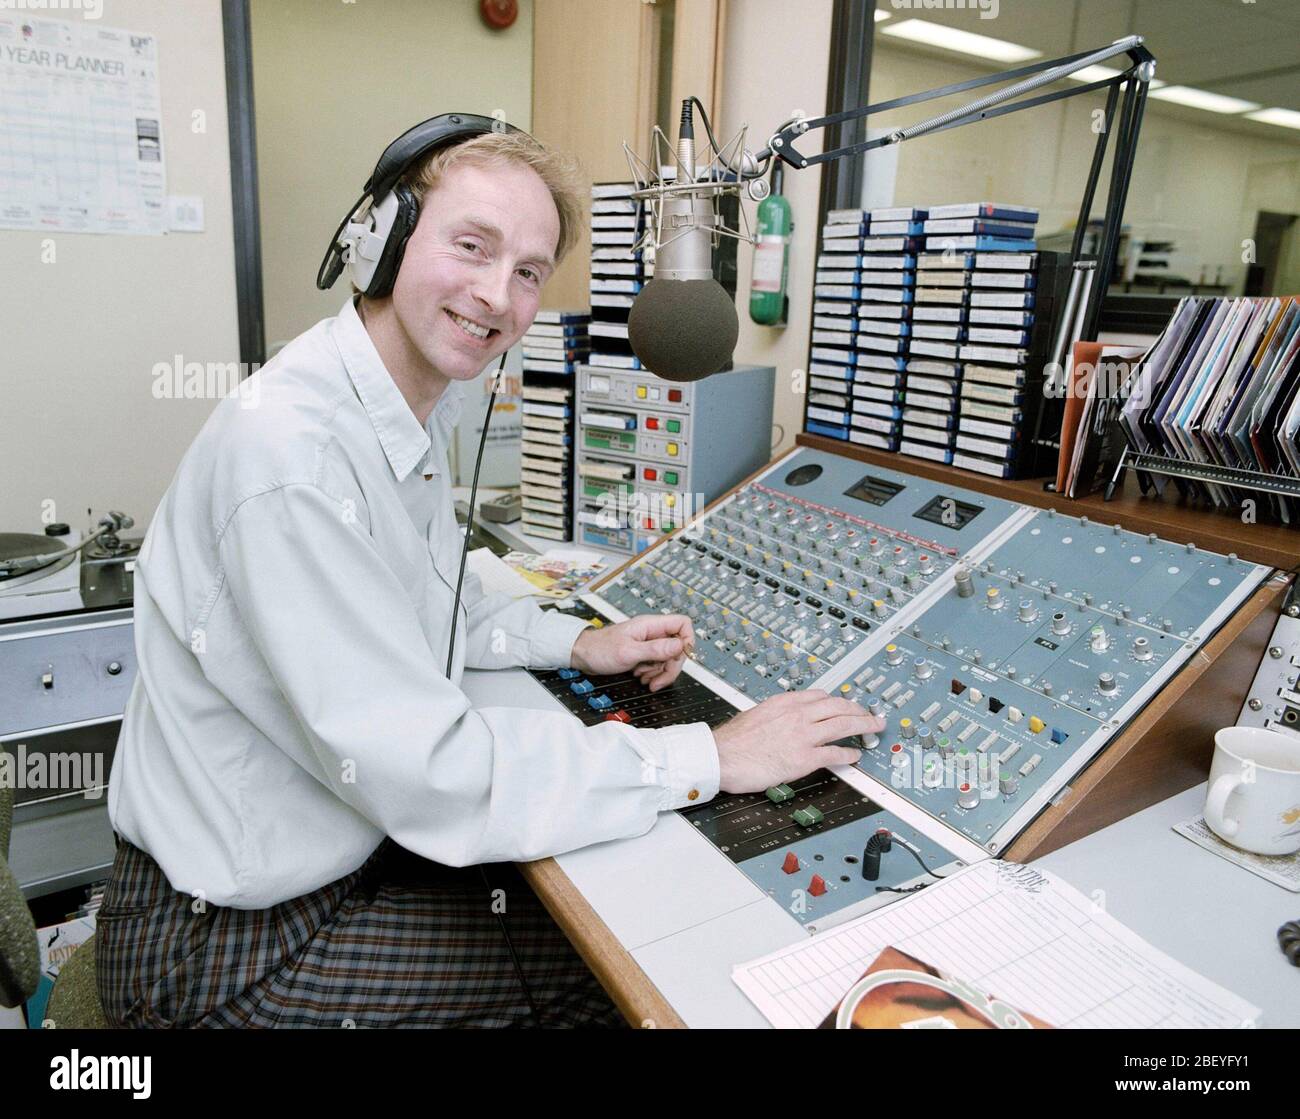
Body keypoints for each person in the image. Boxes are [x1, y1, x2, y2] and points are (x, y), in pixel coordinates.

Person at [96, 117, 883, 1028]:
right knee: (623, 983)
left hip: (327, 871)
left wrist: (577, 642)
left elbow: (424, 610)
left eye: (527, 271)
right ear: (383, 243)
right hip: (222, 951)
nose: (497, 295)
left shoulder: (398, 411)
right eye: (471, 246)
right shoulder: (294, 457)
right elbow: (436, 773)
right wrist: (713, 754)